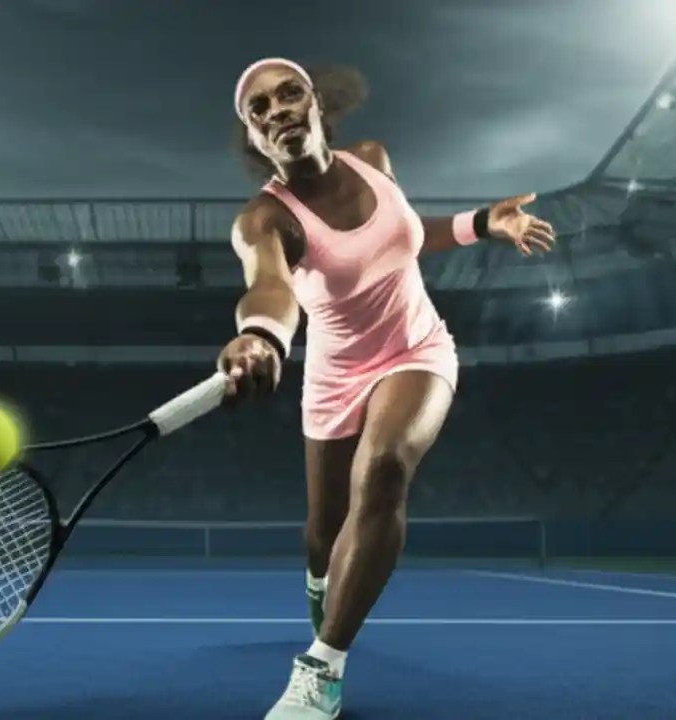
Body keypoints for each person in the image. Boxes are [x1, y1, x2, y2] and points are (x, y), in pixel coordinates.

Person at [216, 58, 557, 719]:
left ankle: (322, 668)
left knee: (384, 469)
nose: (277, 109)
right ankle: (326, 589)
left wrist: (484, 222)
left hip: (417, 349)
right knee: (323, 538)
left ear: (317, 104)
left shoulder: (372, 159)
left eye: (289, 94)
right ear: (255, 138)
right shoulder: (264, 221)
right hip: (333, 375)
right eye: (259, 109)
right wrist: (258, 336)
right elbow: (270, 286)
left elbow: (403, 236)